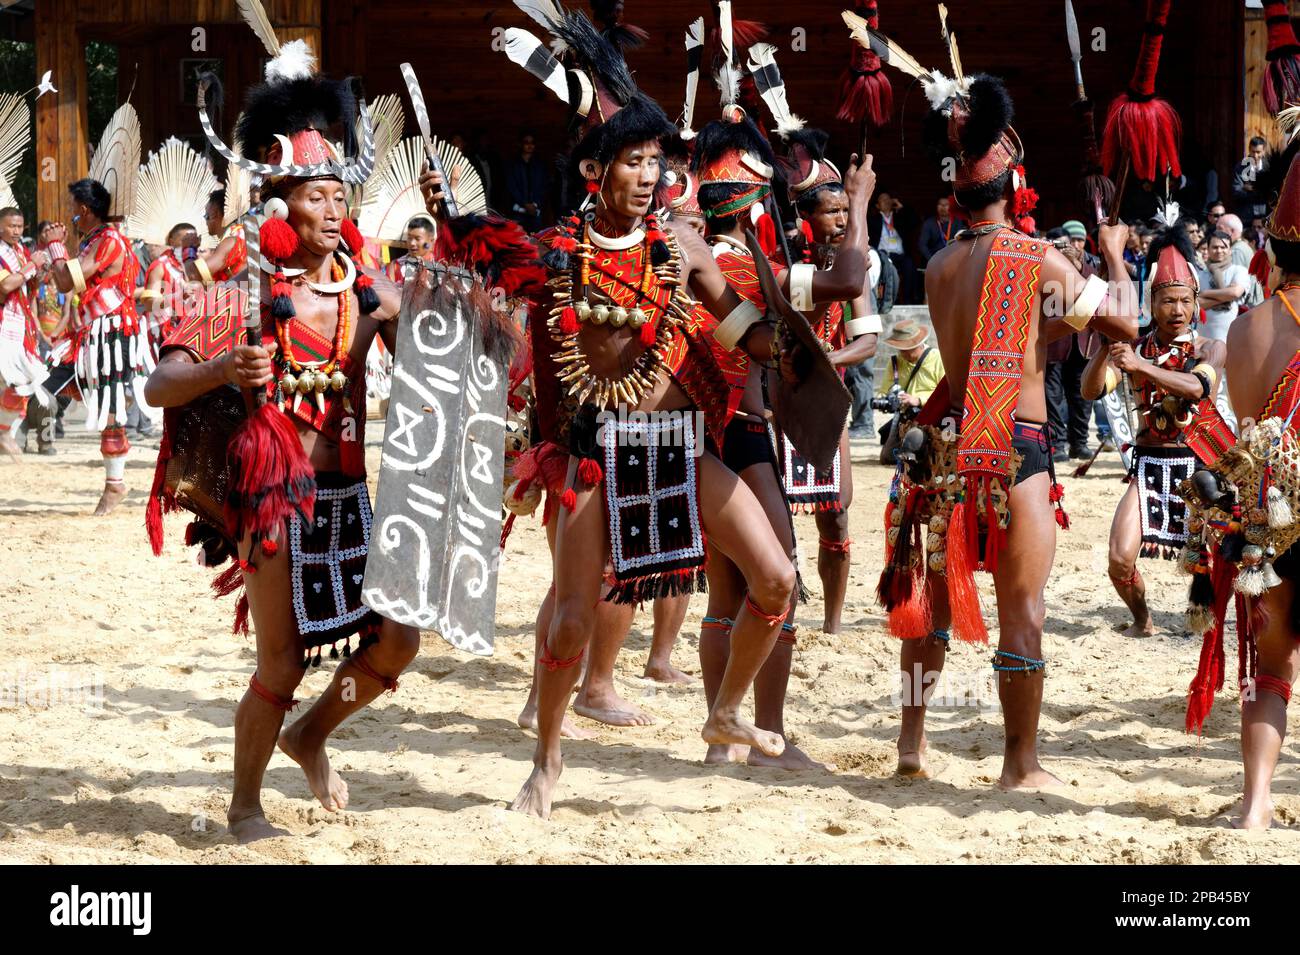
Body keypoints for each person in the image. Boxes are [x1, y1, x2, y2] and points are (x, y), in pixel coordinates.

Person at [498, 10, 849, 817]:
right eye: (633, 162)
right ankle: (546, 761)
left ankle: (725, 707)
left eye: (657, 162)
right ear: (597, 171)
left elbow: (740, 330)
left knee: (775, 577)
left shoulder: (684, 249)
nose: (650, 176)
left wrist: (787, 350)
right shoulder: (560, 252)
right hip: (593, 450)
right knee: (573, 624)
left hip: (678, 443)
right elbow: (537, 356)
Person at [144, 43, 430, 842]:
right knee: (281, 663)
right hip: (275, 495)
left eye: (342, 194)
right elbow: (159, 385)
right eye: (317, 194)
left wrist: (407, 312)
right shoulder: (242, 282)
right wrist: (222, 366)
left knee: (397, 641)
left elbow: (420, 353)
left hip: (350, 494)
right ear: (280, 203)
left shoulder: (365, 277)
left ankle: (311, 735)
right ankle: (244, 805)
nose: (335, 208)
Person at [879, 69, 1136, 784]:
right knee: (1023, 610)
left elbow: (1002, 334)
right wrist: (1112, 255)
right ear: (1015, 182)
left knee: (925, 613)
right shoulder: (1034, 257)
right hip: (1016, 446)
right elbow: (1121, 321)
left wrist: (1047, 316)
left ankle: (911, 744)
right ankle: (1021, 763)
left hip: (949, 446)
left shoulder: (936, 265)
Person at [1181, 143, 1300, 828]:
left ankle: (1255, 805)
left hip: (1269, 528)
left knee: (1271, 668)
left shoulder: (1250, 328)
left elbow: (1248, 427)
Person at [1081, 223, 1228, 638]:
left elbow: (1197, 387)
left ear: (1196, 302)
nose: (1176, 310)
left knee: (1228, 558)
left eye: (1184, 301)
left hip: (1200, 466)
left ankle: (1218, 623)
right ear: (1153, 302)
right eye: (1167, 301)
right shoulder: (1135, 347)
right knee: (1119, 559)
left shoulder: (1209, 348)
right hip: (1148, 466)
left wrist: (1141, 366)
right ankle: (1143, 620)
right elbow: (1090, 390)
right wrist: (1103, 343)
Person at [35, 171, 150, 514]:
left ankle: (115, 485)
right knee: (47, 388)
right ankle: (114, 483)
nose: (70, 213)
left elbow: (67, 280)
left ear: (84, 209)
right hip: (91, 336)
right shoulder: (93, 240)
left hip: (110, 335)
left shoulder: (109, 240)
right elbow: (64, 281)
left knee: (108, 408)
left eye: (73, 206)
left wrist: (55, 245)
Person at [0, 206, 51, 457]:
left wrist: (39, 272)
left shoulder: (20, 251)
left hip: (20, 325)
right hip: (4, 324)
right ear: (1, 226)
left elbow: (26, 288)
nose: (16, 231)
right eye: (11, 226)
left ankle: (6, 433)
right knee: (15, 380)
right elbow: (7, 285)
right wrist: (31, 266)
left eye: (20, 227)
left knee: (23, 381)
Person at [875, 318, 942, 465]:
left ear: (918, 345)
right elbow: (884, 390)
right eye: (901, 349)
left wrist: (918, 400)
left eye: (906, 349)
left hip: (929, 416)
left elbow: (945, 393)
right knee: (886, 458)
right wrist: (885, 399)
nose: (903, 353)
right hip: (904, 418)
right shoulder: (895, 362)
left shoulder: (937, 359)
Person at [869, 190, 918, 303]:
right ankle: (884, 301)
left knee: (909, 265)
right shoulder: (873, 220)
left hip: (899, 255)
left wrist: (901, 208)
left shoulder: (900, 217)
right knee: (883, 267)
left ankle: (907, 301)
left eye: (888, 199)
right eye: (883, 199)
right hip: (882, 254)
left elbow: (915, 222)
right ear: (877, 205)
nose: (886, 201)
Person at [1201, 230, 1249, 342]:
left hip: (1231, 340)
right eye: (1215, 247)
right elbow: (1195, 304)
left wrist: (1205, 294)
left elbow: (1235, 293)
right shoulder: (1199, 274)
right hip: (1202, 340)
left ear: (1230, 250)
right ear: (1207, 249)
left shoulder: (1239, 271)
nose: (1219, 251)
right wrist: (1226, 296)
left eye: (1223, 247)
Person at [505, 131, 547, 234]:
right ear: (521, 144)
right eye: (526, 142)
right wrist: (524, 204)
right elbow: (511, 186)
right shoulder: (513, 164)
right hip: (517, 210)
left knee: (536, 240)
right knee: (517, 240)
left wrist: (535, 204)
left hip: (535, 210)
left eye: (532, 142)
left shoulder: (539, 164)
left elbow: (544, 186)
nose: (529, 145)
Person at [1233, 136, 1270, 223]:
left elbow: (1274, 192)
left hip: (1266, 217)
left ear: (1264, 151)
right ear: (1249, 149)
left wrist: (1251, 189)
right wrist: (1260, 190)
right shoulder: (1240, 167)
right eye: (1253, 152)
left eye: (1258, 152)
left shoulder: (1270, 167)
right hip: (1246, 218)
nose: (1255, 155)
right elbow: (1236, 192)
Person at [917, 195, 959, 265]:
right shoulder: (929, 223)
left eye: (946, 205)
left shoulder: (958, 222)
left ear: (951, 207)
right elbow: (922, 245)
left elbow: (962, 243)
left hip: (953, 259)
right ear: (936, 206)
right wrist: (932, 260)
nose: (943, 207)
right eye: (940, 204)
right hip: (933, 259)